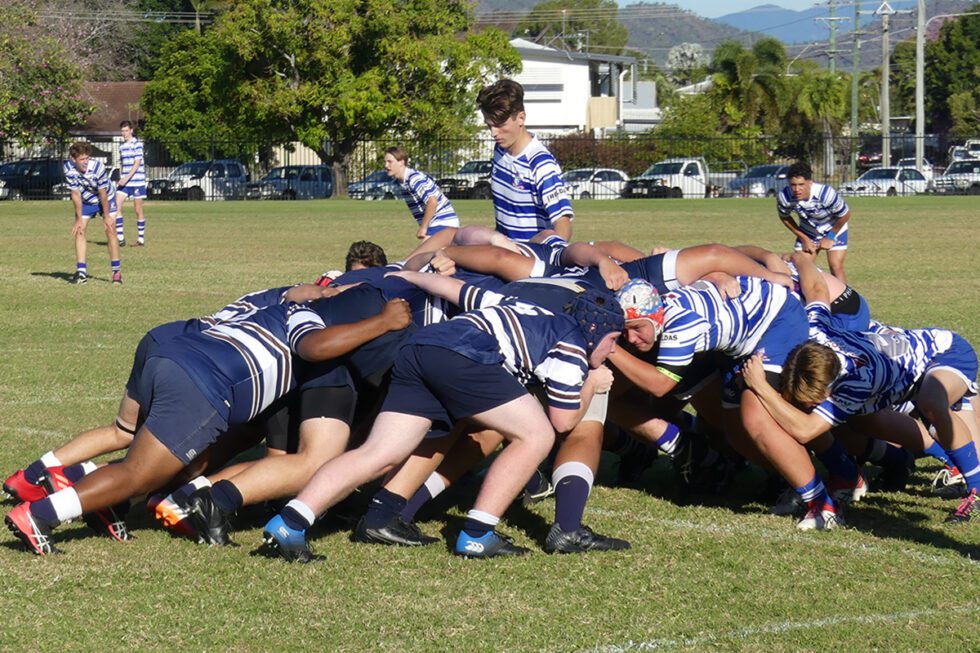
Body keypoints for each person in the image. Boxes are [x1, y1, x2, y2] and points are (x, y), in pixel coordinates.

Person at [260, 280, 624, 562]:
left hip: (421, 347)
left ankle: (290, 523)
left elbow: (467, 293)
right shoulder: (575, 345)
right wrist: (591, 385)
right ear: (596, 332)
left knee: (380, 452)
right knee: (536, 435)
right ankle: (478, 535)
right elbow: (563, 422)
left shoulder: (529, 309)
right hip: (464, 354)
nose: (612, 351)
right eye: (612, 341)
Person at [741, 251, 980, 525]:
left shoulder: (853, 382)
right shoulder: (816, 331)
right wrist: (802, 260)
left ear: (831, 387)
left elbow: (805, 429)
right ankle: (936, 458)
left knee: (931, 400)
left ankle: (977, 489)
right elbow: (817, 288)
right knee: (864, 423)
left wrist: (760, 386)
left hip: (945, 354)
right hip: (896, 376)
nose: (811, 404)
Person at [477, 79, 573, 242]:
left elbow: (563, 226)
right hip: (504, 257)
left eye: (500, 125)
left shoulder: (541, 164)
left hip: (529, 262)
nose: (493, 133)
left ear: (521, 118)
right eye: (489, 125)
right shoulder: (499, 152)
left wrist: (548, 258)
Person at [776, 161, 851, 284]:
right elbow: (784, 217)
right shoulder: (785, 196)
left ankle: (844, 302)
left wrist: (830, 237)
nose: (796, 189)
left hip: (834, 228)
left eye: (801, 184)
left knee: (835, 266)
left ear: (810, 183)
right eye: (793, 185)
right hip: (808, 231)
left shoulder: (826, 194)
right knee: (801, 268)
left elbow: (845, 215)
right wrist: (804, 238)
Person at [64, 142, 122, 285]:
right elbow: (75, 194)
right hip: (86, 200)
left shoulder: (97, 167)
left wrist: (107, 216)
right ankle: (81, 272)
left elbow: (102, 192)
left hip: (106, 198)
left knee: (110, 230)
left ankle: (116, 272)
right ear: (73, 159)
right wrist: (78, 218)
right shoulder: (68, 168)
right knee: (80, 230)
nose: (85, 162)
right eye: (82, 159)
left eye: (87, 158)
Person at [383, 146, 459, 240]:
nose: (386, 165)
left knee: (423, 254)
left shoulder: (414, 179)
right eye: (385, 162)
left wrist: (423, 228)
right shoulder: (402, 181)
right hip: (437, 225)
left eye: (390, 162)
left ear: (401, 162)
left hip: (442, 223)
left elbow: (432, 202)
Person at [115, 120, 148, 247]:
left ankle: (141, 239)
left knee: (138, 209)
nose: (124, 133)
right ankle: (120, 238)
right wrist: (121, 177)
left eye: (126, 130)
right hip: (125, 182)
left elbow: (137, 163)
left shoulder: (137, 144)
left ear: (131, 131)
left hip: (136, 182)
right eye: (122, 131)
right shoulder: (122, 146)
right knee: (116, 206)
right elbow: (123, 164)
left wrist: (127, 177)